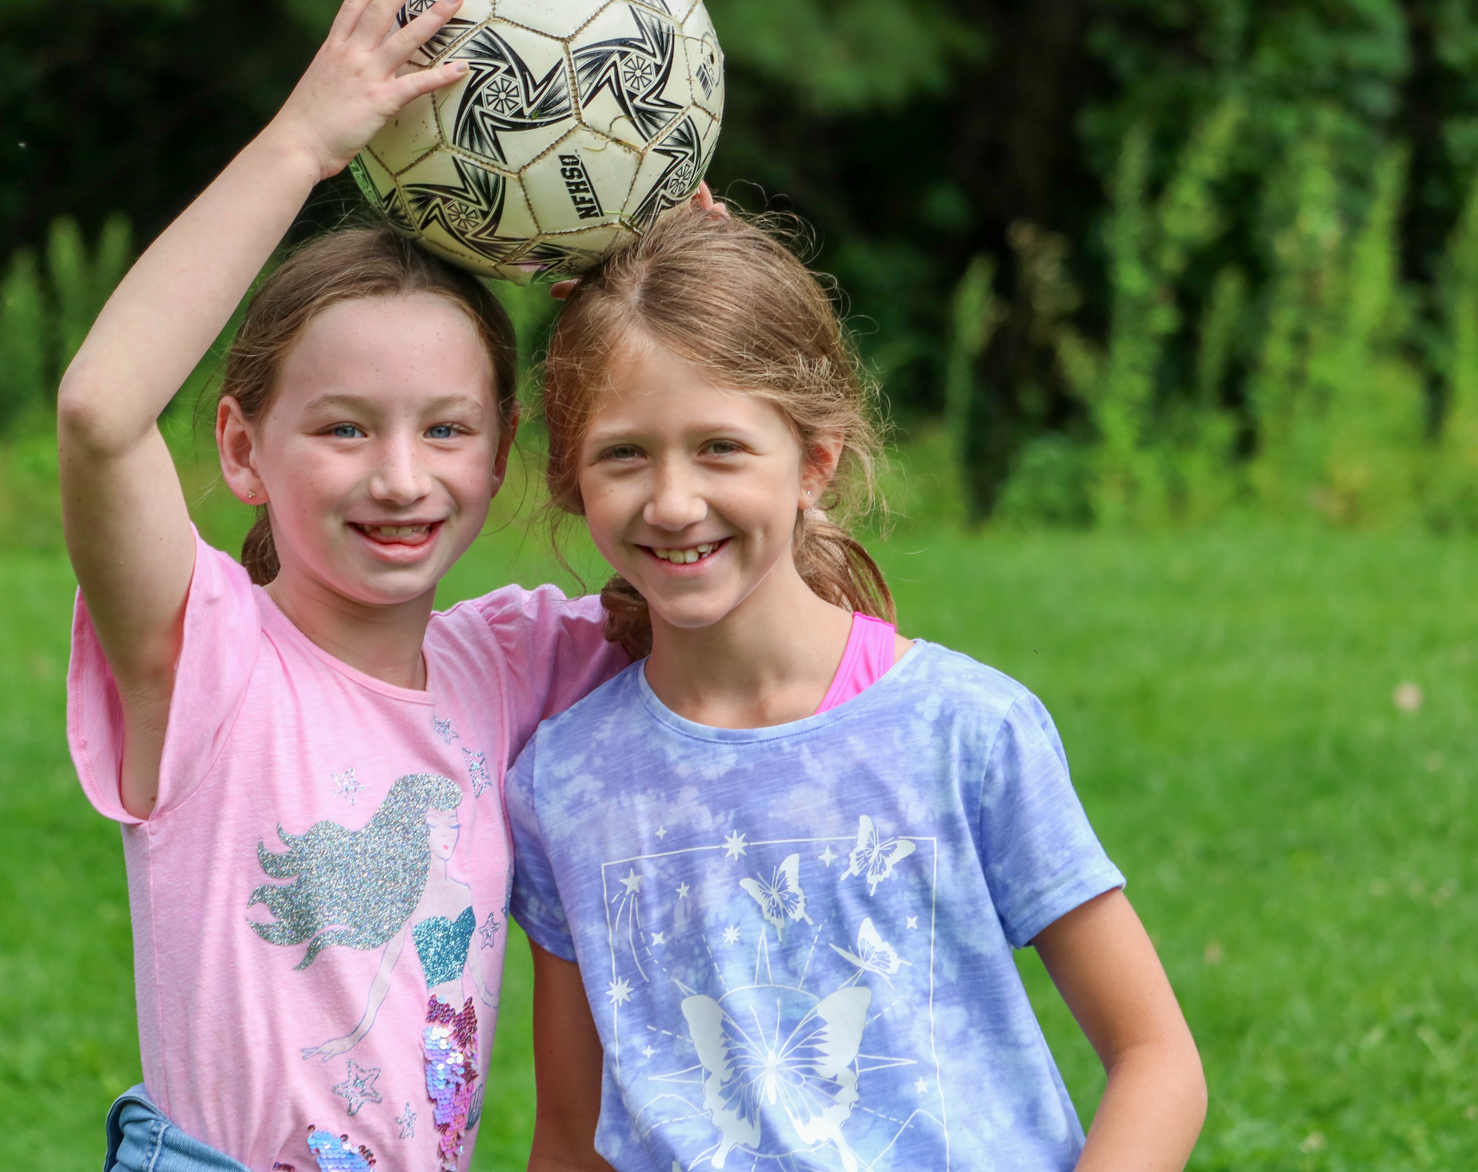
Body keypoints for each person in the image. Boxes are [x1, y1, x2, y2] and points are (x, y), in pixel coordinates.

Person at [57, 0, 626, 1172]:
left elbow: (717, 575)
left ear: (500, 452)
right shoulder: (203, 653)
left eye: (445, 428)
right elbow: (102, 411)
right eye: (342, 427)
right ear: (241, 445)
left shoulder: (511, 662)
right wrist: (301, 145)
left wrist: (659, 271)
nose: (400, 477)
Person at [505, 209, 1207, 1172]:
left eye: (720, 447)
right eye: (625, 453)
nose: (672, 502)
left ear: (817, 461)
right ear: (572, 478)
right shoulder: (565, 782)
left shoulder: (966, 728)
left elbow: (1156, 1059)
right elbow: (569, 1138)